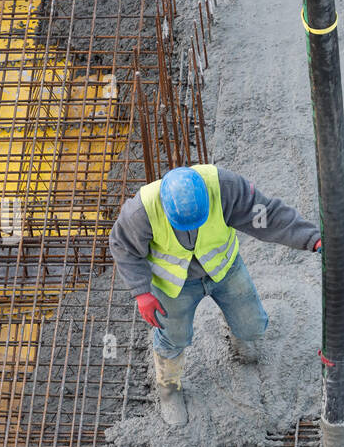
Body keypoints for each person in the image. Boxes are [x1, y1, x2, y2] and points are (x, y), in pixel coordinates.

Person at [109, 165, 321, 426]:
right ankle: (169, 389)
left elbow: (268, 216)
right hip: (174, 283)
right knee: (174, 336)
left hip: (224, 268)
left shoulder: (226, 189)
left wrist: (313, 238)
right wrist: (142, 293)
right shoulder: (141, 211)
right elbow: (124, 249)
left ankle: (237, 332)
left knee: (252, 326)